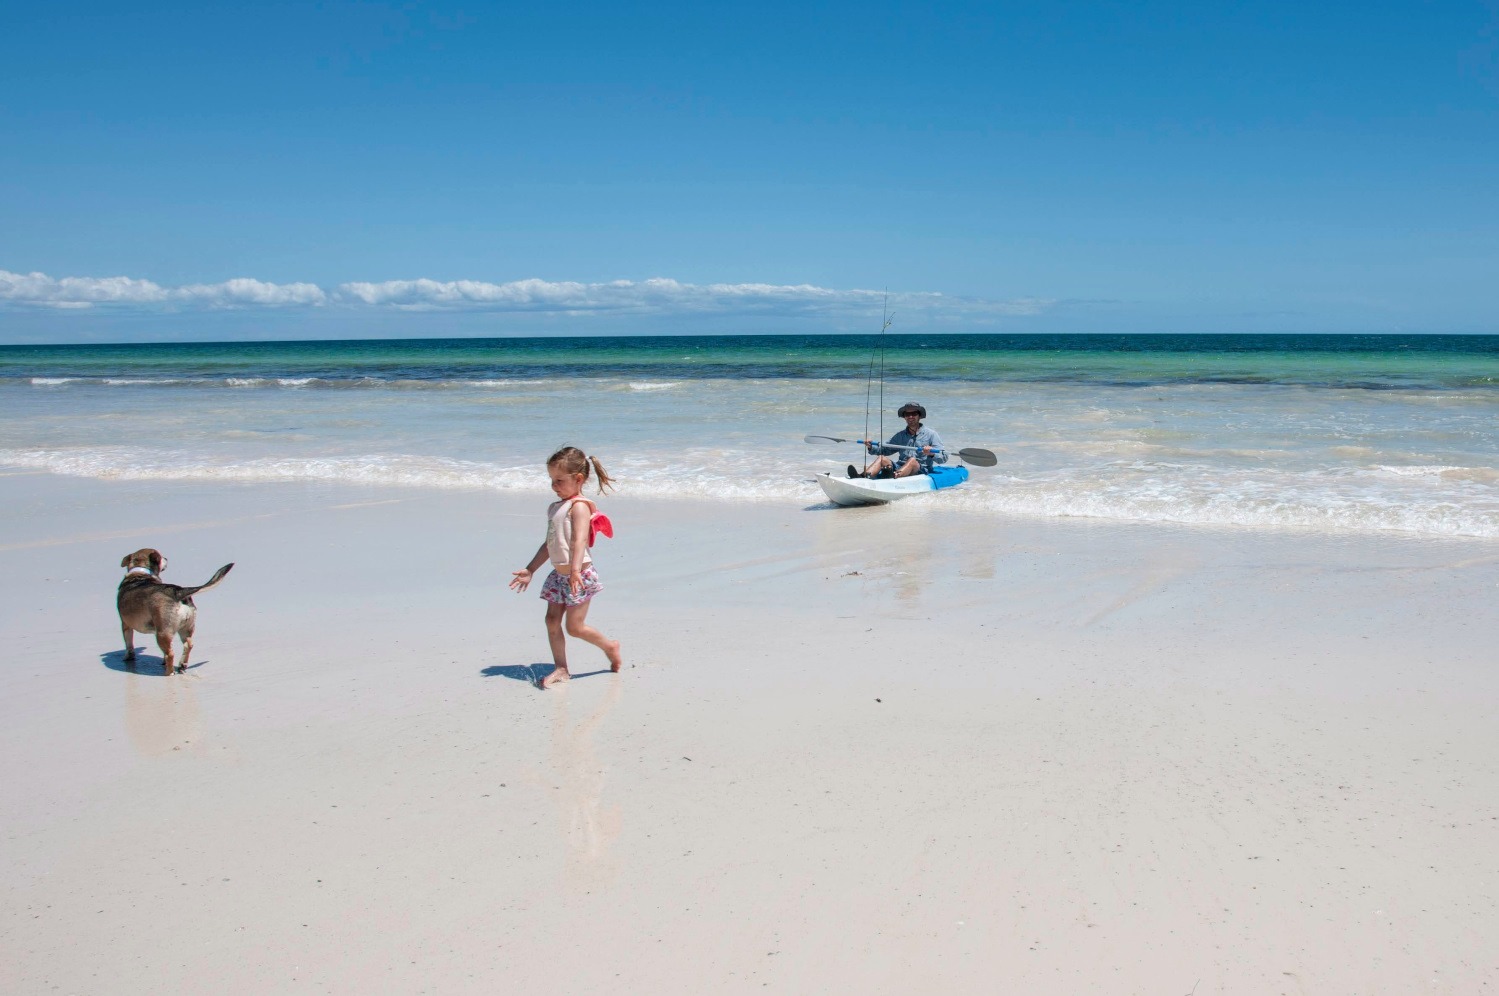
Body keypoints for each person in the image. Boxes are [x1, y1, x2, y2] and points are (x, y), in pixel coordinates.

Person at [510, 446, 623, 688]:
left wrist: (574, 571)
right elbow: (549, 543)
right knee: (551, 621)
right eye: (551, 480)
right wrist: (530, 569)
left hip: (579, 574)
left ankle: (609, 646)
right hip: (558, 576)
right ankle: (561, 668)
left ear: (578, 479)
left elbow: (578, 540)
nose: (554, 485)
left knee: (575, 627)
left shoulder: (579, 506)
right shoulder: (554, 508)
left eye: (559, 480)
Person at [851, 402, 947, 479]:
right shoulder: (900, 435)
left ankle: (894, 477)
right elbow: (885, 450)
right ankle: (863, 477)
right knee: (881, 458)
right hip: (900, 466)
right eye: (907, 414)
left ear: (919, 416)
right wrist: (871, 446)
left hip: (921, 470)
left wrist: (931, 453)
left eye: (914, 414)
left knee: (912, 460)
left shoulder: (931, 434)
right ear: (904, 417)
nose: (910, 417)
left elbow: (944, 457)